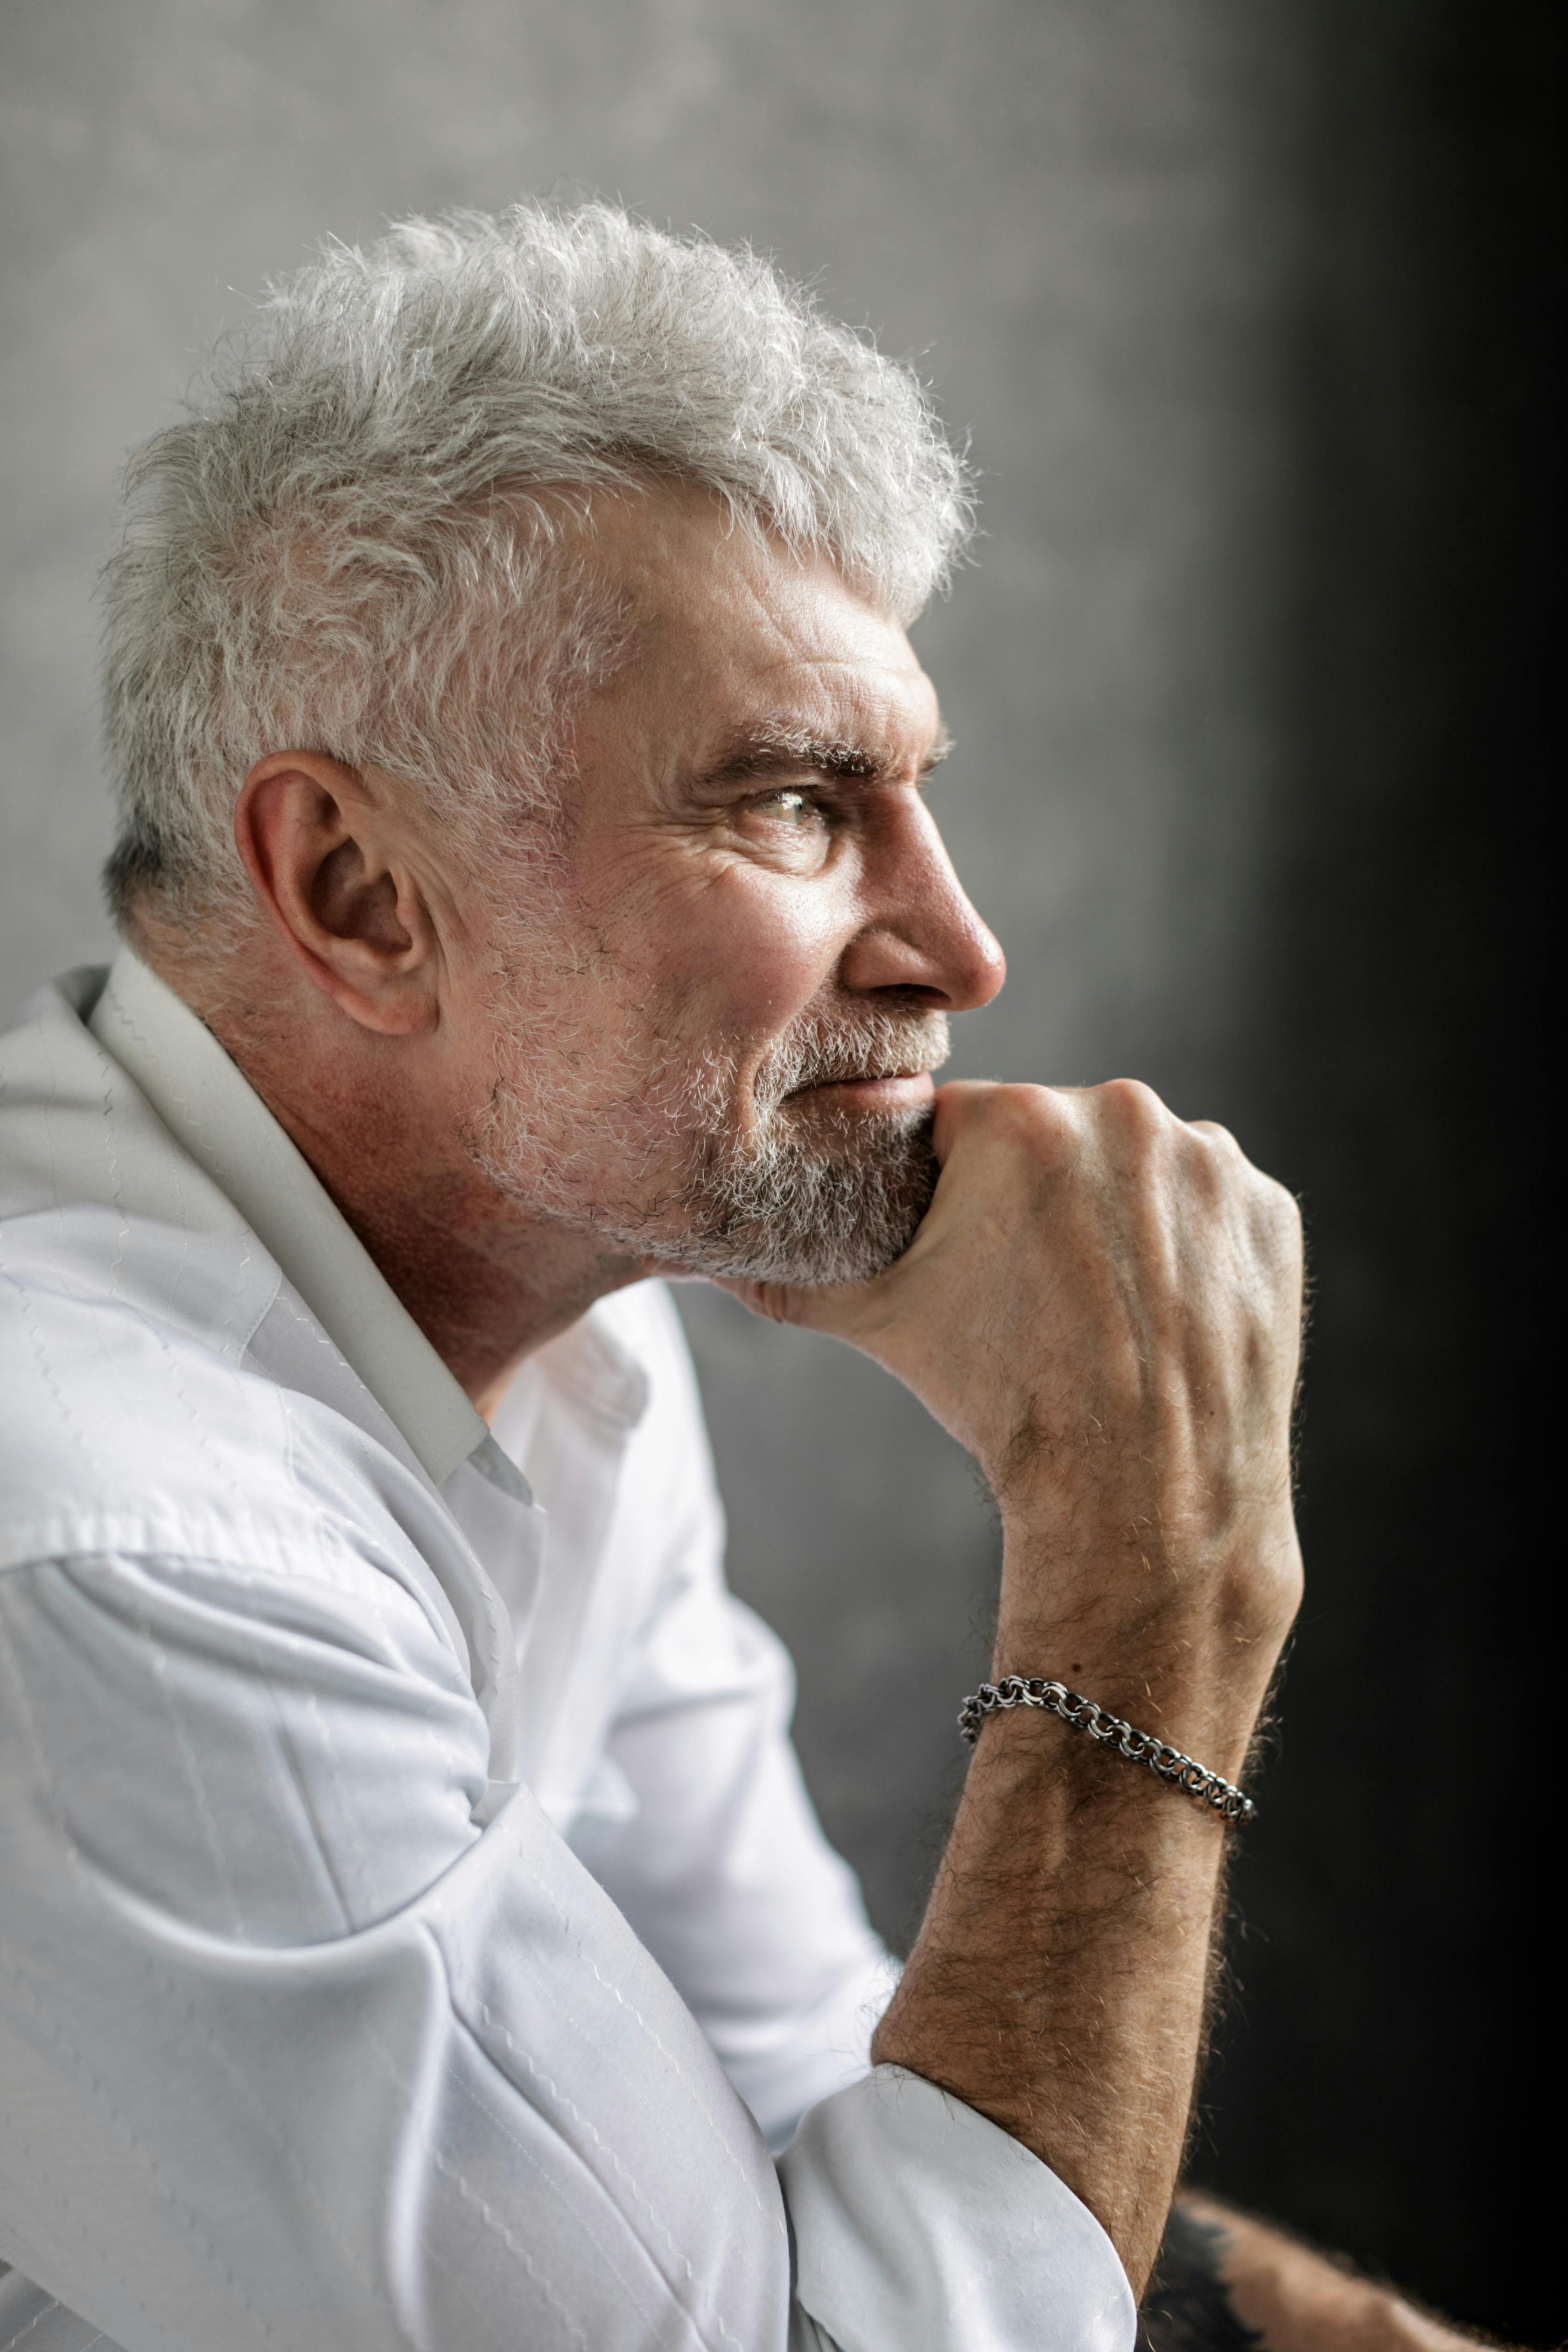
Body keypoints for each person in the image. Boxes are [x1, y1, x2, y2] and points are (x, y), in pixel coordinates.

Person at [0, 203, 1482, 2352]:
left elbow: (806, 2119)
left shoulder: (553, 1326)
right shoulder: (109, 1545)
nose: (962, 952)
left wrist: (1343, 2333)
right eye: (800, 803)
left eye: (917, 798)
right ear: (356, 891)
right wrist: (1158, 1572)